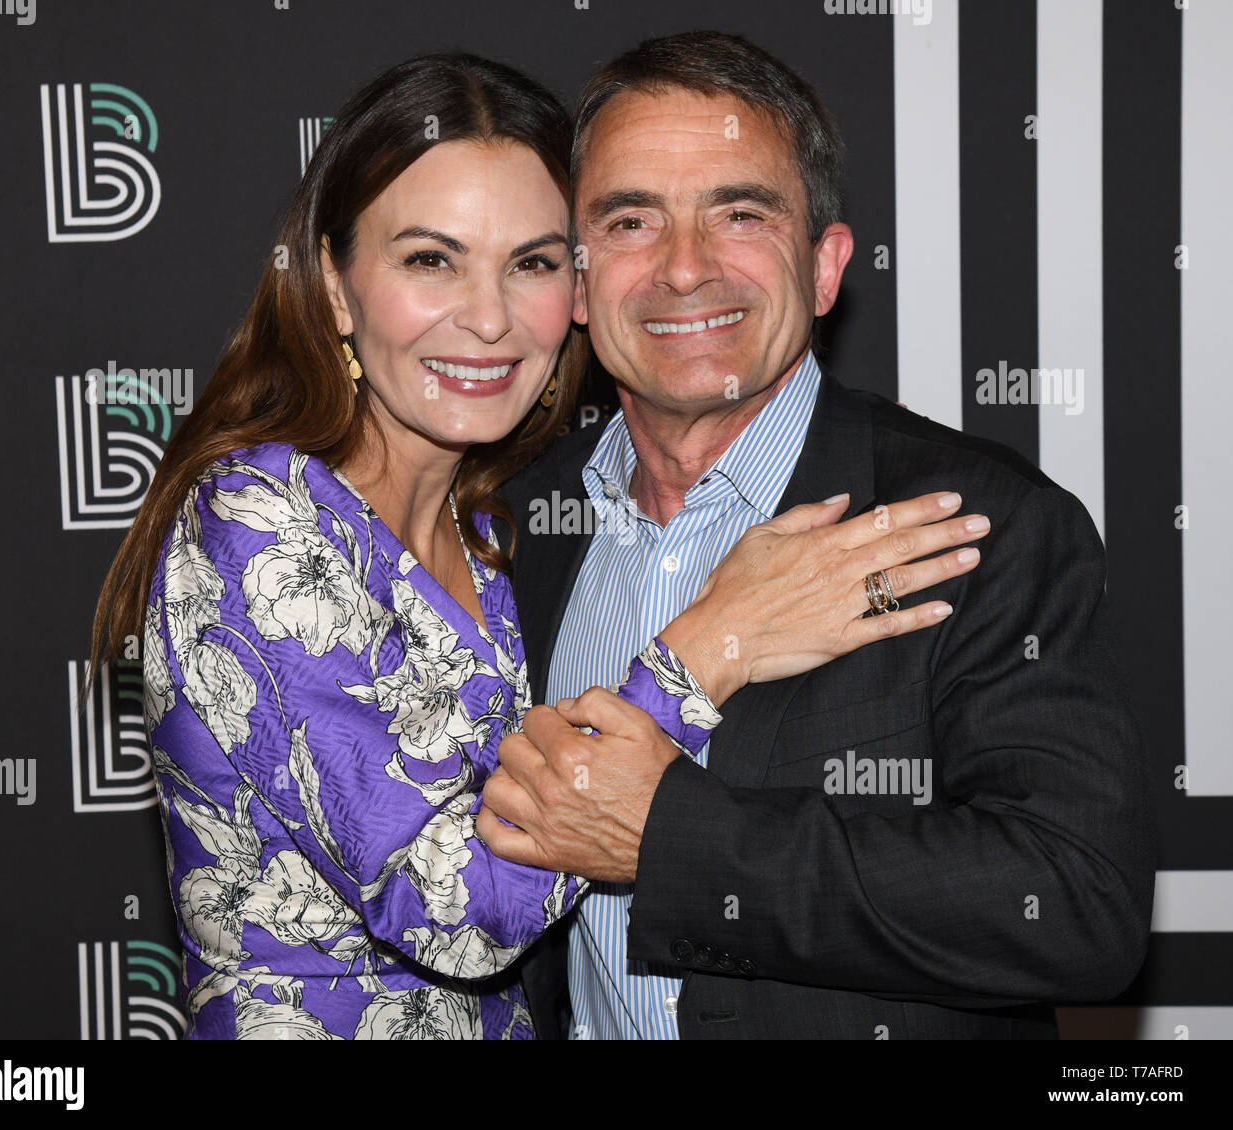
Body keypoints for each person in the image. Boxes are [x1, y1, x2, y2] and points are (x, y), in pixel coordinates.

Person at [85, 52, 981, 1040]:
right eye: (430, 258)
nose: (487, 317)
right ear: (335, 287)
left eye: (533, 261)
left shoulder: (496, 528)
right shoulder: (258, 521)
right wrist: (712, 643)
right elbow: (456, 913)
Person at [479, 30, 1156, 1040]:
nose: (682, 269)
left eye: (740, 213)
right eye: (629, 221)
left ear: (825, 264)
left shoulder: (976, 522)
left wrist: (672, 837)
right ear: (573, 280)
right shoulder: (508, 525)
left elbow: (1074, 906)